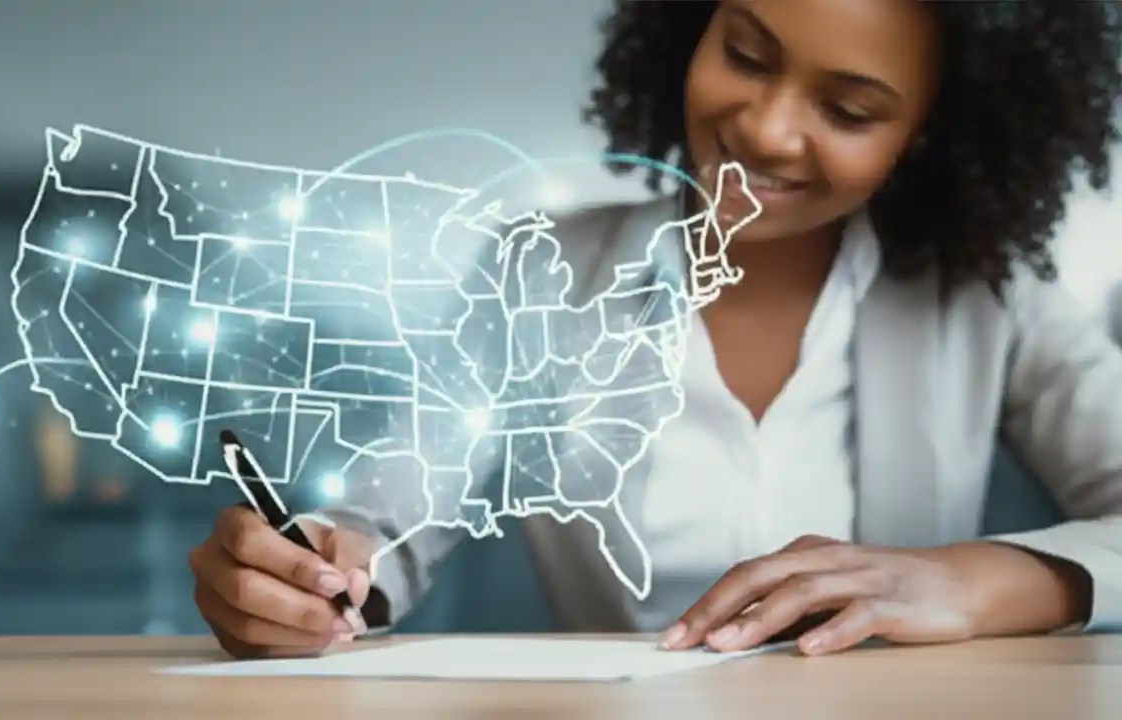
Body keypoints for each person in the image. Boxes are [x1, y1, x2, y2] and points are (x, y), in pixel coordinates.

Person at [188, 0, 1122, 659]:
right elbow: (389, 513)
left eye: (847, 110)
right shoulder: (536, 272)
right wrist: (306, 576)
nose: (766, 130)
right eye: (747, 56)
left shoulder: (989, 299)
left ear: (929, 131)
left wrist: (967, 583)